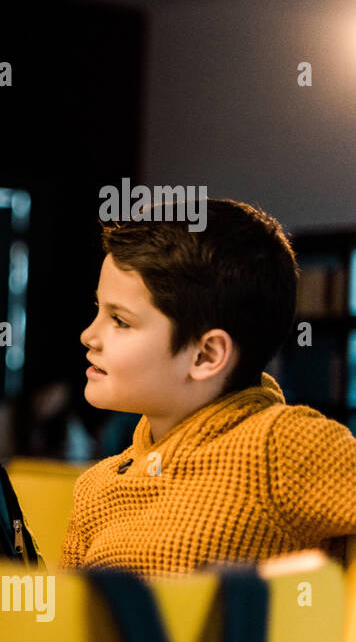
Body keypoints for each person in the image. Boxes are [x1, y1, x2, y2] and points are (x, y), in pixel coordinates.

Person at [62, 198, 356, 576]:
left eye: (120, 320)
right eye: (98, 310)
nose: (89, 335)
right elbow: (62, 627)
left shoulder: (280, 445)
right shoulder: (95, 488)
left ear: (205, 356)